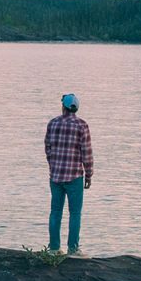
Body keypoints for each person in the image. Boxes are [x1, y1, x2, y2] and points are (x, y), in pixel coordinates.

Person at [44, 93, 94, 254]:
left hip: (55, 176)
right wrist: (89, 174)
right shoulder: (82, 125)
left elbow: (48, 148)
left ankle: (54, 248)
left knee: (55, 212)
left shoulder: (53, 123)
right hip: (74, 176)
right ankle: (73, 249)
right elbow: (86, 153)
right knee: (75, 214)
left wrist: (53, 165)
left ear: (63, 107)